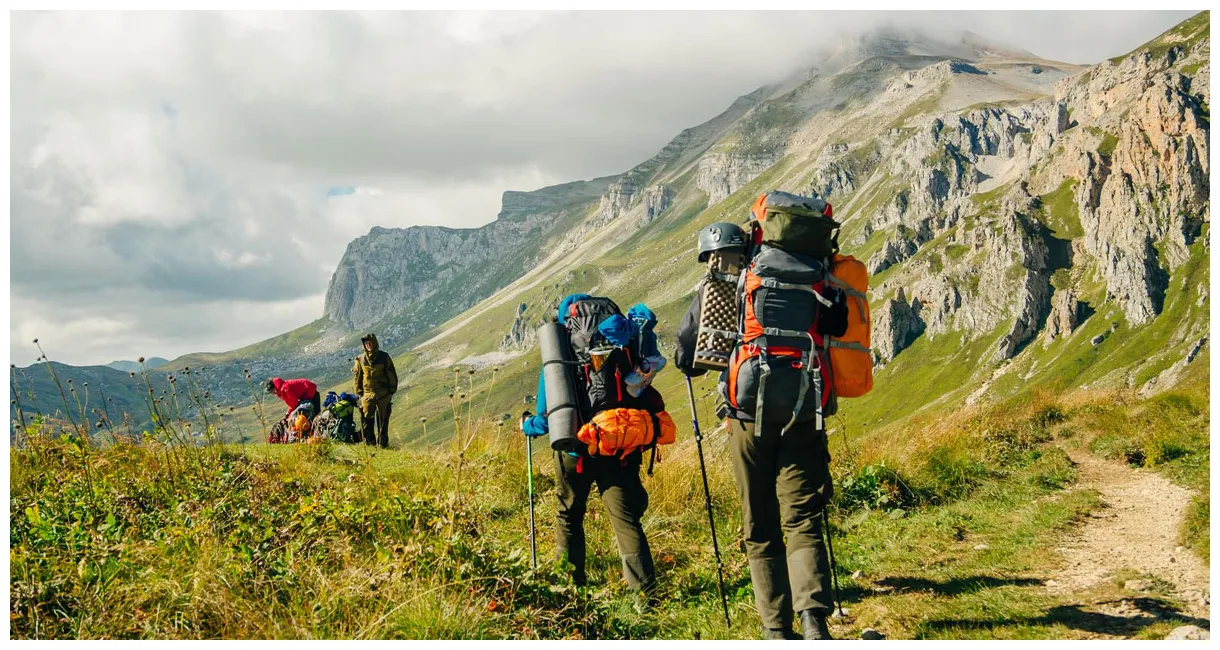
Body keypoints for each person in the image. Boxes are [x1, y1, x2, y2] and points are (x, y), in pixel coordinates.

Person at [675, 219, 840, 640]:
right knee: (802, 517)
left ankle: (776, 629)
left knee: (760, 522)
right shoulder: (806, 274)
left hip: (747, 416)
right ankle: (813, 620)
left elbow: (686, 354)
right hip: (804, 407)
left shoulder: (724, 287)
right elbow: (836, 326)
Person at [519, 293, 667, 602]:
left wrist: (527, 425)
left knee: (569, 515)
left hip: (575, 450)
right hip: (617, 448)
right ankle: (646, 598)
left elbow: (545, 419)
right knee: (626, 520)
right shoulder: (624, 347)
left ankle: (569, 592)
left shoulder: (561, 358)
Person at [352, 333, 398, 449]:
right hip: (367, 394)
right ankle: (370, 444)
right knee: (367, 420)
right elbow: (357, 377)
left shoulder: (384, 357)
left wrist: (391, 390)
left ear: (375, 343)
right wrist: (359, 393)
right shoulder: (360, 359)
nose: (368, 345)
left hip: (383, 394)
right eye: (366, 343)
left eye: (370, 343)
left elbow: (391, 373)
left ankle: (383, 445)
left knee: (383, 421)